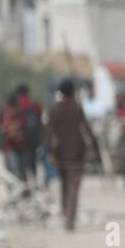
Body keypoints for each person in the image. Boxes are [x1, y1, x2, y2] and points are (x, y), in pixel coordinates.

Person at [44, 79, 99, 231]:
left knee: (64, 186)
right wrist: (95, 148)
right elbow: (87, 130)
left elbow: (49, 133)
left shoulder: (54, 109)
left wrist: (49, 151)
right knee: (73, 187)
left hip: (60, 154)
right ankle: (70, 218)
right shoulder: (77, 108)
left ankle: (65, 213)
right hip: (77, 154)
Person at [15, 84, 43, 187]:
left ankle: (24, 184)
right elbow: (40, 121)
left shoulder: (18, 104)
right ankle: (34, 182)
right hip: (34, 138)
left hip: (22, 139)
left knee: (22, 163)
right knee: (33, 161)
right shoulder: (35, 104)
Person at [0, 95, 28, 183]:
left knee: (20, 170)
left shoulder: (21, 116)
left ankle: (21, 186)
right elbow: (3, 129)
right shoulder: (5, 115)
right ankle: (13, 187)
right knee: (11, 169)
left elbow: (19, 127)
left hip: (20, 147)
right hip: (9, 147)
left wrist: (11, 129)